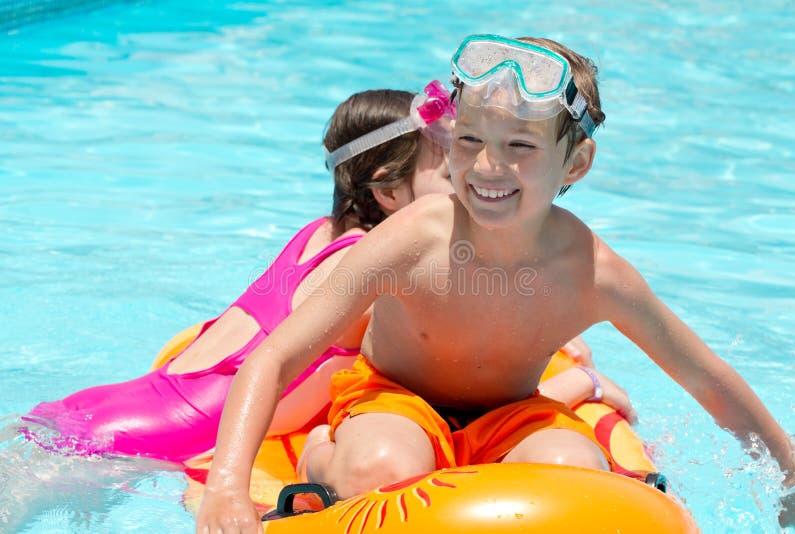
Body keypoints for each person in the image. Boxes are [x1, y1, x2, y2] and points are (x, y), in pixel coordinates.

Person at [195, 34, 795, 533]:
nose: (488, 166)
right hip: (393, 401)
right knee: (383, 466)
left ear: (576, 163)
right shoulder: (416, 237)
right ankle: (325, 449)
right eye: (470, 140)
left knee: (578, 473)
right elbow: (276, 354)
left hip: (511, 415)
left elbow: (708, 379)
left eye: (520, 146)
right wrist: (226, 485)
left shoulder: (592, 270)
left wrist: (791, 476)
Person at [20, 81, 614, 465]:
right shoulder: (377, 278)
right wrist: (579, 383)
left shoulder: (317, 236)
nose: (470, 184)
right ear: (387, 195)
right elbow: (452, 403)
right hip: (143, 445)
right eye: (448, 177)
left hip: (110, 406)